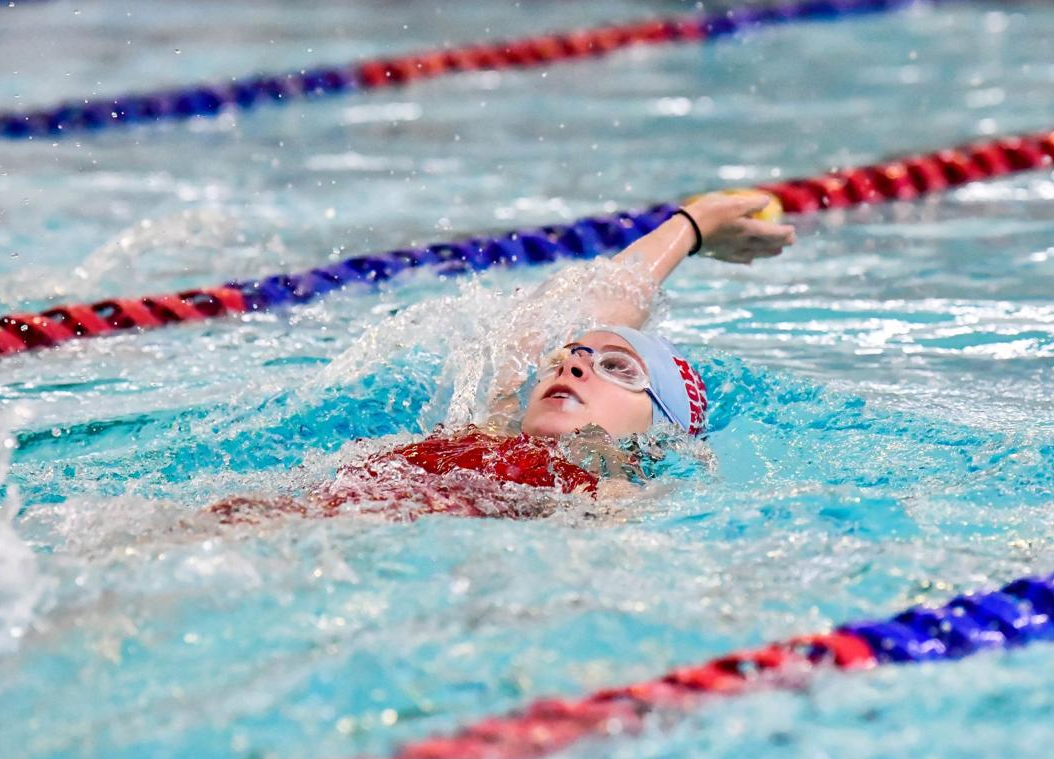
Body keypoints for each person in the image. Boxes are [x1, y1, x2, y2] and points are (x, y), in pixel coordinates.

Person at [208, 191, 795, 524]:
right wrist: (688, 229)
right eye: (567, 358)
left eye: (617, 368)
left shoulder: (617, 505)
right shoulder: (487, 421)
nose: (572, 366)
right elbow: (595, 301)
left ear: (663, 429)